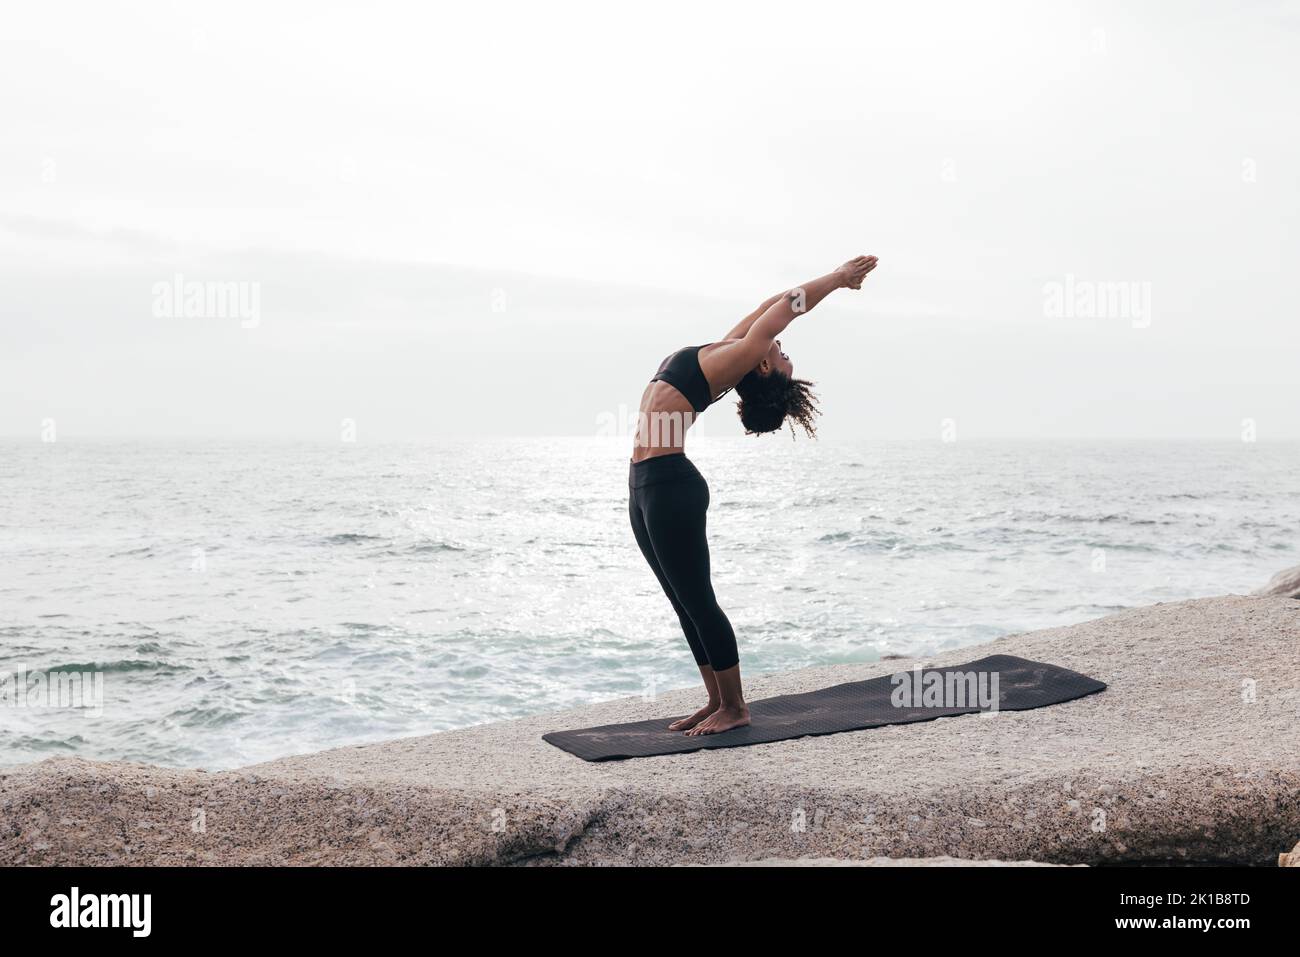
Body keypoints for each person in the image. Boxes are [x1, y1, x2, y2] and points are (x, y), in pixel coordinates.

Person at [628, 255, 879, 735]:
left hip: (670, 485)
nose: (783, 349)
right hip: (641, 483)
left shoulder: (743, 355)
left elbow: (787, 308)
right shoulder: (731, 349)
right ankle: (715, 699)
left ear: (762, 368)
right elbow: (771, 304)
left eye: (783, 357)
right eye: (785, 353)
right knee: (681, 600)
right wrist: (834, 279)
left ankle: (736, 706)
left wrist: (838, 281)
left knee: (698, 599)